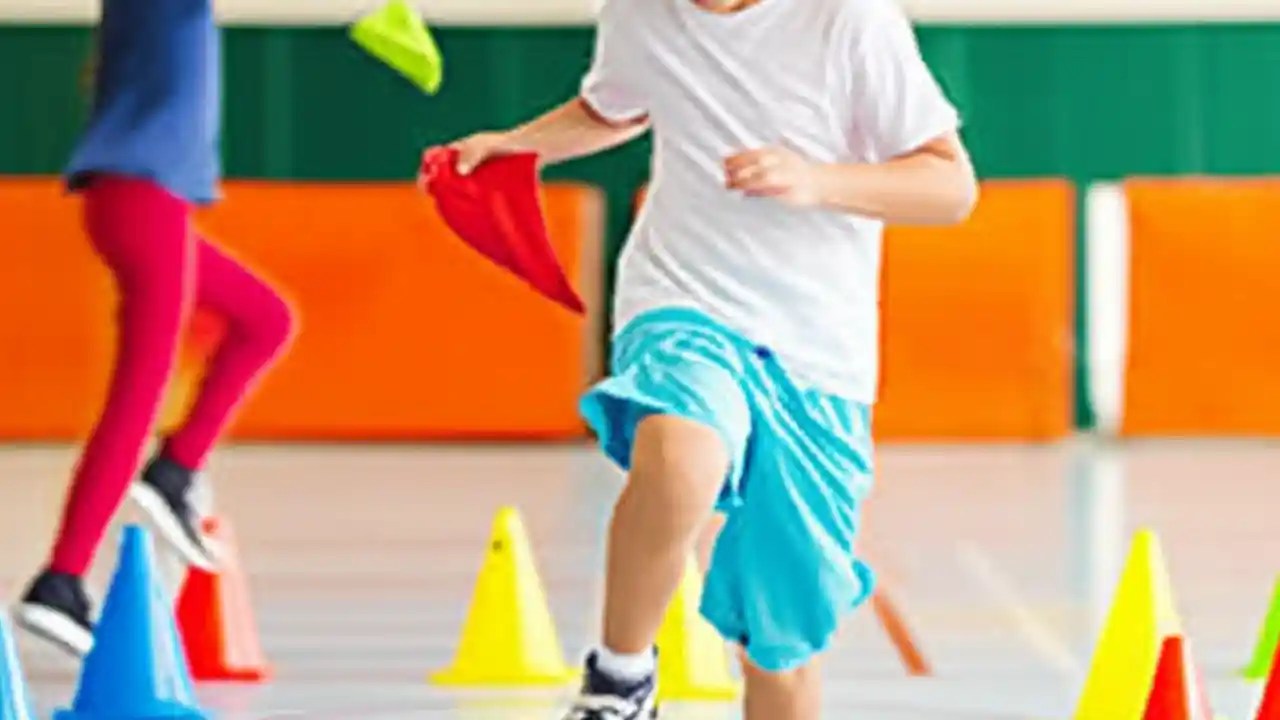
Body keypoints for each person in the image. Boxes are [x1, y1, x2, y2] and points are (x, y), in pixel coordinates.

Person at [435, 0, 976, 715]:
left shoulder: (852, 21)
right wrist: (514, 145)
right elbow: (614, 109)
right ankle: (620, 678)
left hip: (818, 350)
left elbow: (950, 188)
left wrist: (819, 181)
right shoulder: (639, 14)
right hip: (684, 296)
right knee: (683, 454)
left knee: (782, 658)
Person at [15, 0, 295, 657]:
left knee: (264, 318)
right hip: (144, 199)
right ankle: (62, 578)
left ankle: (173, 472)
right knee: (135, 399)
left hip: (139, 201)